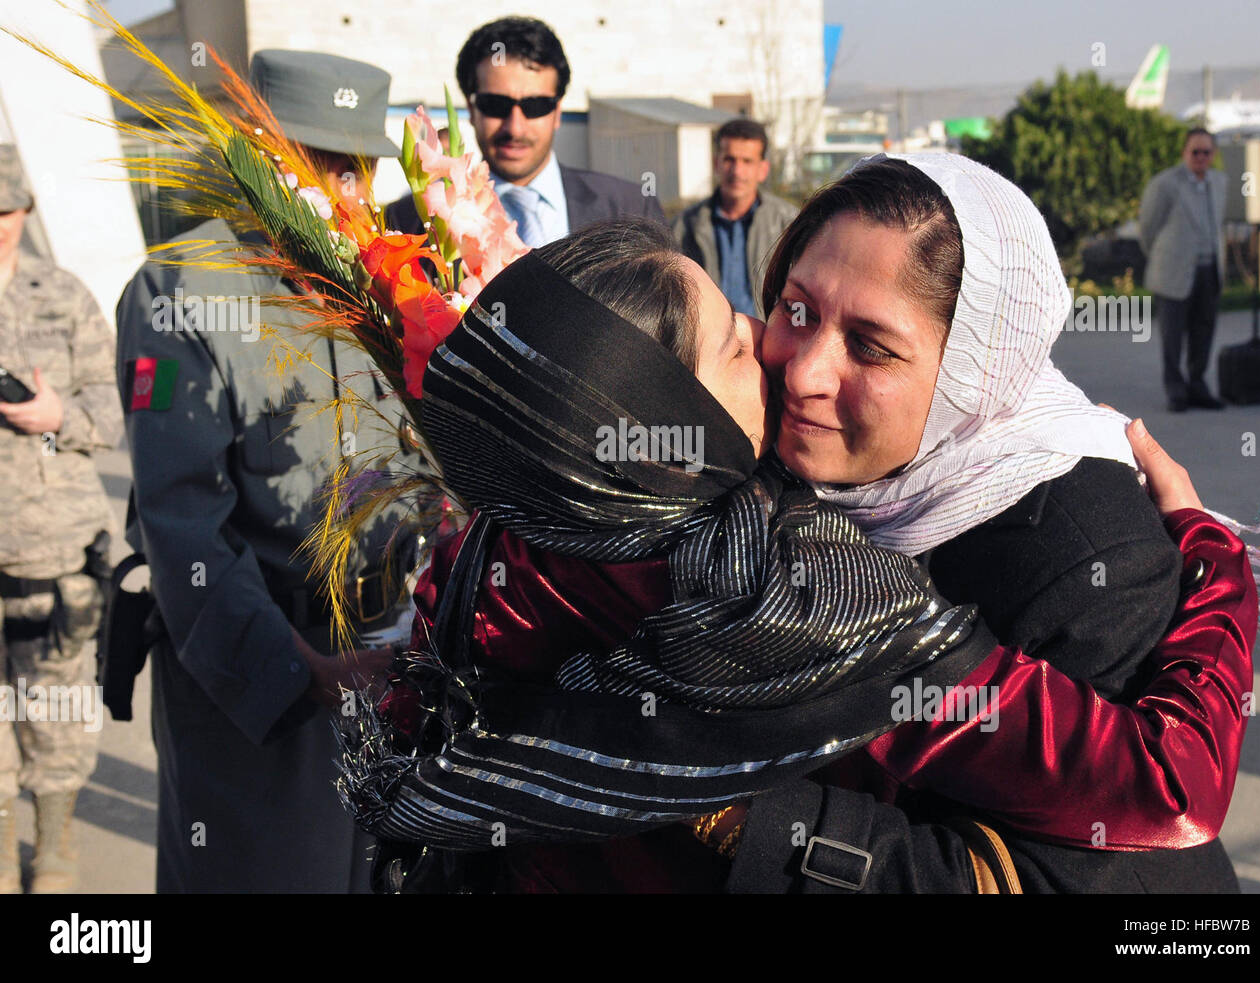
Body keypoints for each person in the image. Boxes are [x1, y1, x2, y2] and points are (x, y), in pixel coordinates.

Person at [338, 220, 1254, 894]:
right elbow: (1168, 785)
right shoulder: (794, 599)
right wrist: (1216, 557)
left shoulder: (503, 535)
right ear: (674, 429)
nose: (787, 363)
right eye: (747, 339)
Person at [743, 152, 1243, 891]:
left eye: (870, 346)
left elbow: (1103, 873)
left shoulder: (1081, 558)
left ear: (973, 375)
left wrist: (735, 820)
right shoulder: (776, 459)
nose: (804, 371)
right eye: (798, 310)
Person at [115, 51, 424, 893]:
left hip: (393, 674)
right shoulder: (178, 291)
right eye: (312, 162)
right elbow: (183, 528)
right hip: (265, 686)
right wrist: (306, 676)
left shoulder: (385, 283)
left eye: (355, 168)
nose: (339, 190)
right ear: (255, 146)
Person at [0, 144, 121, 894]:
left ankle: (55, 850)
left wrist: (56, 415)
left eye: (6, 211)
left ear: (25, 210)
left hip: (53, 549)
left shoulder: (65, 295)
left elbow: (113, 410)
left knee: (57, 709)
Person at [385, 16, 665, 242]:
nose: (515, 127)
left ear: (557, 112)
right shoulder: (409, 221)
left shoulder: (631, 209)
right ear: (471, 111)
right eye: (495, 104)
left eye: (535, 106)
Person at [673, 118, 799, 316]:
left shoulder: (789, 223)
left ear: (763, 170)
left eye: (747, 161)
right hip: (706, 343)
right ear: (716, 163)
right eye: (729, 160)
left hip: (768, 342)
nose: (737, 172)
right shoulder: (685, 226)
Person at [1139, 128, 1227, 412]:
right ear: (1184, 153)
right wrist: (1160, 257)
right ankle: (1176, 390)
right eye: (1195, 152)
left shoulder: (1219, 182)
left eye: (1206, 152)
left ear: (1212, 155)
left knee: (1204, 331)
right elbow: (1148, 228)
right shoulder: (1165, 184)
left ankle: (1198, 384)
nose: (1201, 157)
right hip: (1173, 272)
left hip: (1208, 270)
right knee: (1173, 337)